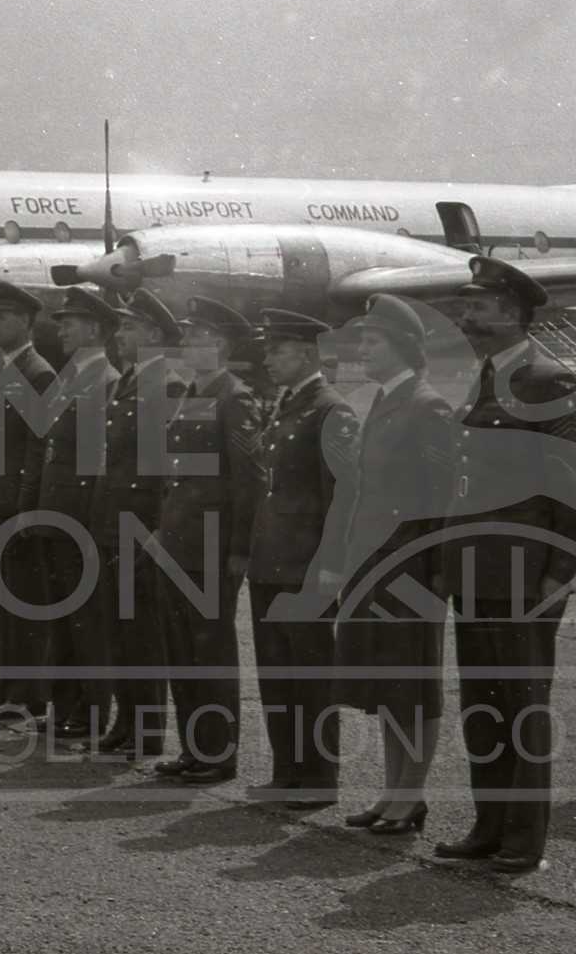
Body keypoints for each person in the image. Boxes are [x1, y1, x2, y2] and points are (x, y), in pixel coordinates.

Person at [434, 260, 576, 874]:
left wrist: (559, 573)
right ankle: (488, 826)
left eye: (479, 306)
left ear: (513, 312)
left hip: (526, 576)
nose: (467, 316)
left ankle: (523, 841)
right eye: (467, 305)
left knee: (521, 708)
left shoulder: (547, 381)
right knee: (484, 706)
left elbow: (573, 489)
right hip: (476, 571)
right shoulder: (483, 379)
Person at [332, 294, 456, 836]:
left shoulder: (427, 407)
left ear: (403, 346)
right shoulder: (383, 403)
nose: (362, 349)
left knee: (414, 686)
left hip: (409, 571)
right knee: (388, 686)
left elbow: (442, 502)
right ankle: (391, 792)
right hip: (372, 567)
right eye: (361, 339)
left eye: (373, 340)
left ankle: (412, 796)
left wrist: (434, 578)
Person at [245, 309, 360, 810]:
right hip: (272, 560)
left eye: (277, 350)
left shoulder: (330, 409)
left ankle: (316, 777)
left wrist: (331, 567)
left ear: (307, 355)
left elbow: (344, 497)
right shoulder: (286, 405)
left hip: (306, 565)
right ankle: (287, 771)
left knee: (309, 674)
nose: (267, 358)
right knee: (277, 671)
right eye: (268, 349)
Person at [153, 296, 264, 784]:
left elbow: (250, 480)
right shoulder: (197, 394)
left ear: (219, 345)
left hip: (212, 546)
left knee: (210, 647)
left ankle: (218, 753)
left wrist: (240, 548)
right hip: (179, 542)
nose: (186, 344)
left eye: (196, 338)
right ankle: (195, 748)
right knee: (182, 648)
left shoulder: (234, 398)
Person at [17, 286, 119, 740]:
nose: (61, 330)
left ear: (95, 328)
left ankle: (91, 710)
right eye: (60, 322)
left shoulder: (104, 379)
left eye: (70, 323)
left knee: (87, 619)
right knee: (61, 616)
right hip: (56, 512)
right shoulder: (69, 376)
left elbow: (99, 458)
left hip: (79, 515)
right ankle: (65, 707)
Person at [89, 288, 187, 758]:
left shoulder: (167, 385)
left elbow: (168, 470)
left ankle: (147, 728)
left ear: (152, 333)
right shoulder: (127, 383)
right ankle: (127, 721)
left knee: (143, 632)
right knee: (120, 627)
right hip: (114, 522)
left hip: (143, 525)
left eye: (128, 327)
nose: (119, 335)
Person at [0, 281, 56, 718]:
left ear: (25, 320)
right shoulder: (10, 368)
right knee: (5, 601)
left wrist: (24, 506)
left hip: (14, 504)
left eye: (1, 318)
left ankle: (30, 694)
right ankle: (10, 691)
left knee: (25, 601)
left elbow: (40, 445)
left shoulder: (37, 372)